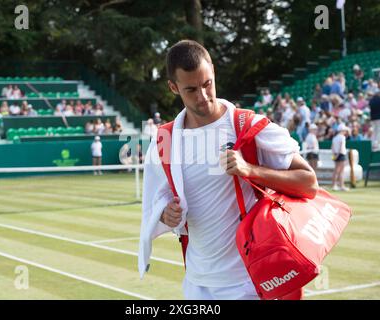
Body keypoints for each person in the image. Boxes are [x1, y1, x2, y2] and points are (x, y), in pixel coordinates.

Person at [138, 40, 318, 300]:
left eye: (207, 84)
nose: (203, 96)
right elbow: (158, 203)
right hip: (197, 282)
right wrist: (167, 215)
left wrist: (250, 170)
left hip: (249, 281)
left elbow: (308, 183)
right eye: (191, 89)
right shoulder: (165, 140)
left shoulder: (247, 125)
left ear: (212, 70)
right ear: (173, 87)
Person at [331, 123, 350, 191]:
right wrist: (338, 155)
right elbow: (341, 147)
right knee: (340, 171)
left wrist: (334, 155)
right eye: (344, 130)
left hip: (336, 154)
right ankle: (341, 186)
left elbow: (332, 147)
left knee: (336, 171)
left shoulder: (335, 138)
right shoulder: (342, 137)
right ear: (342, 130)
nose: (345, 131)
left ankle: (335, 185)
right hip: (340, 155)